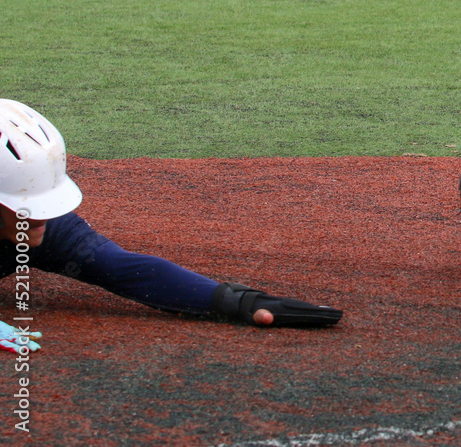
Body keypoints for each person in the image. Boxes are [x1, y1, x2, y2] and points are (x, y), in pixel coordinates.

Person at [0, 99, 342, 353]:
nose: (41, 216)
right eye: (24, 204)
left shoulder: (47, 229)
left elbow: (125, 269)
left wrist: (238, 302)